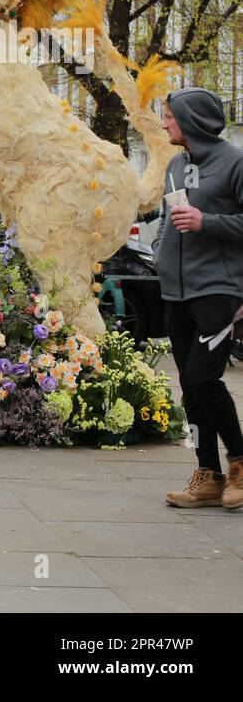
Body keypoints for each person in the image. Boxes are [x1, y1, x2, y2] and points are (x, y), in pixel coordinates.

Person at [154, 87, 243, 511]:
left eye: (169, 116)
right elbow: (167, 219)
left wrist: (207, 222)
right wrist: (160, 254)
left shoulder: (236, 162)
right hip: (176, 291)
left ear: (190, 121)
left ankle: (240, 463)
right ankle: (207, 474)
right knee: (190, 384)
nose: (164, 123)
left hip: (217, 290)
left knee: (205, 379)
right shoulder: (174, 164)